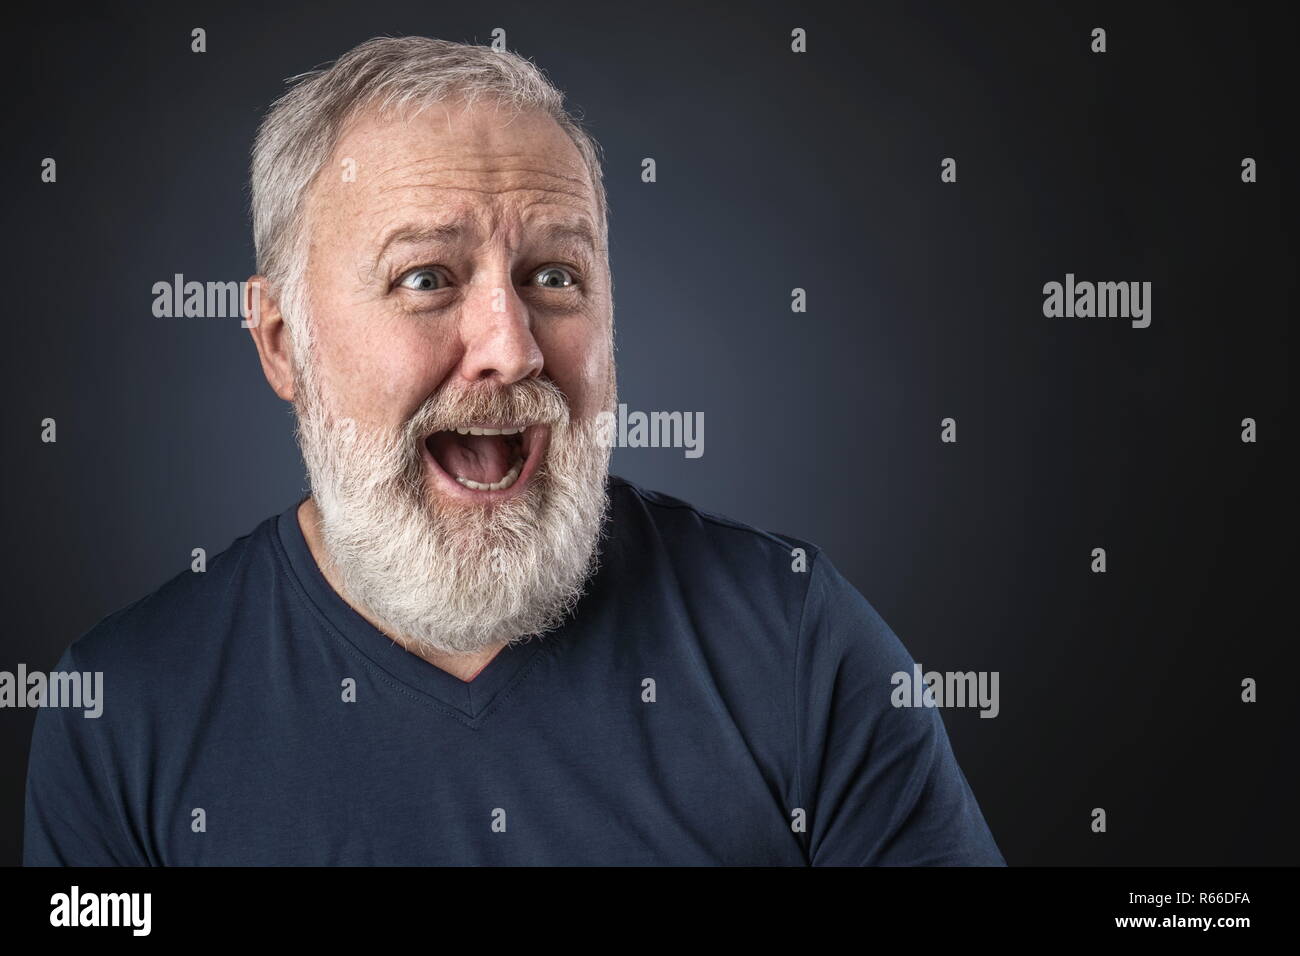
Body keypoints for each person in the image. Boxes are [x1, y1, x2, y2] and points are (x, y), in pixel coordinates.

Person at [23, 36, 1005, 866]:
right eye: (424, 277)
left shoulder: (798, 643)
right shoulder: (123, 714)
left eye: (552, 274)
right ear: (282, 342)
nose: (511, 345)